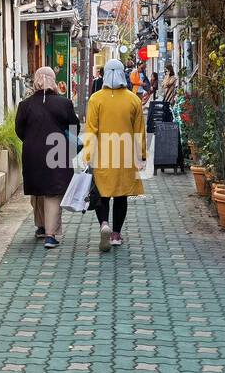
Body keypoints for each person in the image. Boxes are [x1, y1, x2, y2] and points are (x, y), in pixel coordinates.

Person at [85, 59, 147, 251]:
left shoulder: (96, 99)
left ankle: (104, 223)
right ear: (124, 74)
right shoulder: (133, 99)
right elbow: (139, 131)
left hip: (102, 155)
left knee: (101, 194)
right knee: (121, 196)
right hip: (125, 156)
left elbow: (91, 130)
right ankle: (116, 234)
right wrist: (141, 156)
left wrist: (88, 155)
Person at [16, 66, 79, 250]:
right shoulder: (64, 103)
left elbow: (19, 130)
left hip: (32, 153)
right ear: (53, 80)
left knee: (37, 191)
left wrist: (33, 141)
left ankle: (41, 226)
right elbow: (74, 129)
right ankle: (50, 236)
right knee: (52, 192)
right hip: (57, 152)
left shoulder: (25, 105)